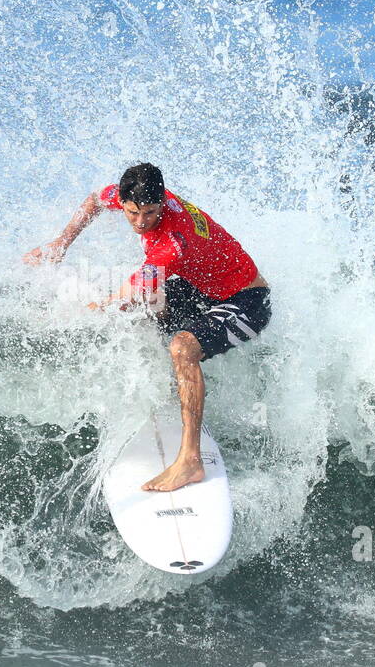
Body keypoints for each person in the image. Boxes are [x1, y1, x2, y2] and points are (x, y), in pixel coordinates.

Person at [23, 163, 272, 492]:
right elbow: (95, 199)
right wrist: (61, 244)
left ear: (161, 203)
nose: (141, 222)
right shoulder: (136, 195)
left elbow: (126, 296)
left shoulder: (173, 239)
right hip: (205, 289)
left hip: (247, 301)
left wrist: (76, 314)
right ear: (125, 202)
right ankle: (175, 390)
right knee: (148, 311)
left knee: (182, 347)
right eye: (132, 213)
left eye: (150, 213)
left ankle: (190, 462)